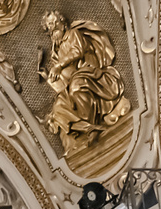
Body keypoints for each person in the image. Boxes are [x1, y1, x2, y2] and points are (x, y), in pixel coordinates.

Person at [41, 11, 130, 154]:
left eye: (55, 22)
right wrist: (49, 78)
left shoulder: (73, 34)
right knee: (58, 107)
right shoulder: (55, 50)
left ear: (62, 22)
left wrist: (59, 66)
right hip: (72, 81)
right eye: (50, 25)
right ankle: (88, 129)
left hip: (89, 73)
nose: (54, 27)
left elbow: (77, 51)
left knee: (77, 87)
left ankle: (93, 123)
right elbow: (64, 77)